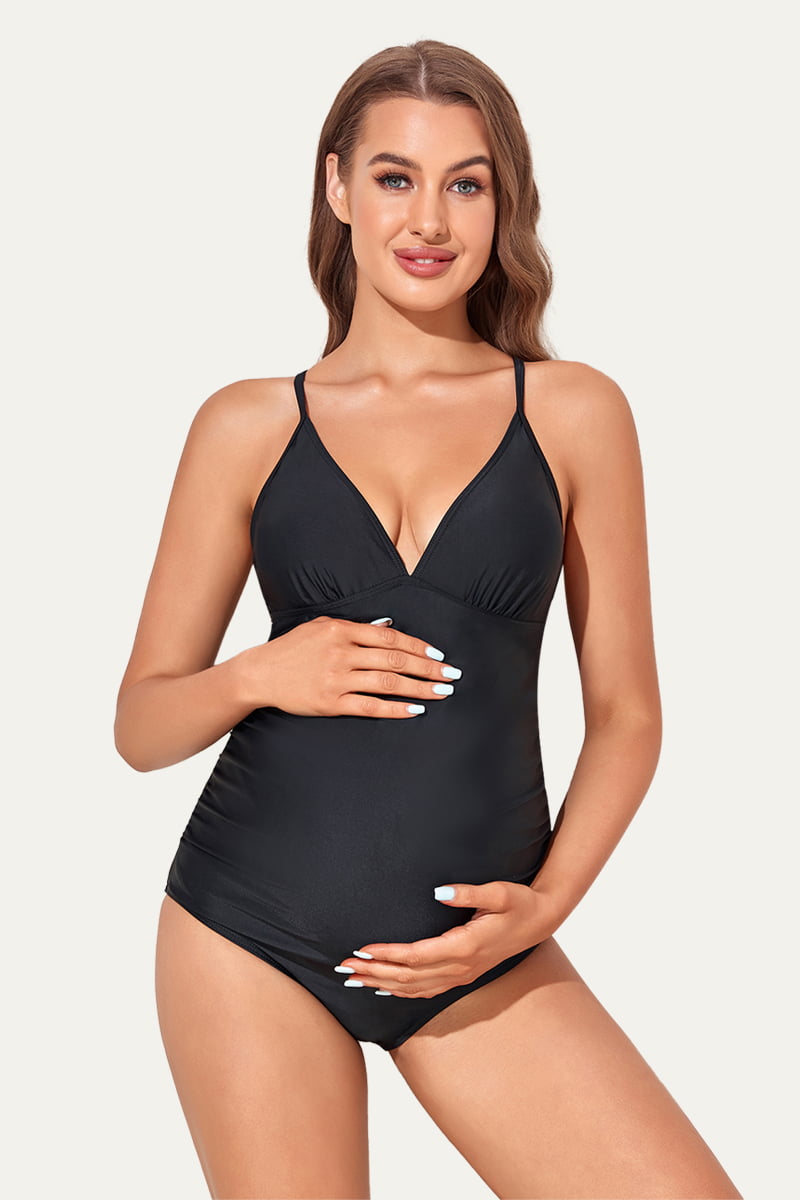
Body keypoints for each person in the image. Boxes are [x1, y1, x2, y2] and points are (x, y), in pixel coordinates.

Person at [115, 38, 742, 1200]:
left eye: (466, 183)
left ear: (503, 205)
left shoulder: (570, 411)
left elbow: (627, 713)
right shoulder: (245, 426)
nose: (429, 219)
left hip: (476, 946)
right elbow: (141, 727)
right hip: (247, 928)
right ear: (336, 187)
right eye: (394, 176)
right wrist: (262, 673)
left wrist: (543, 907)